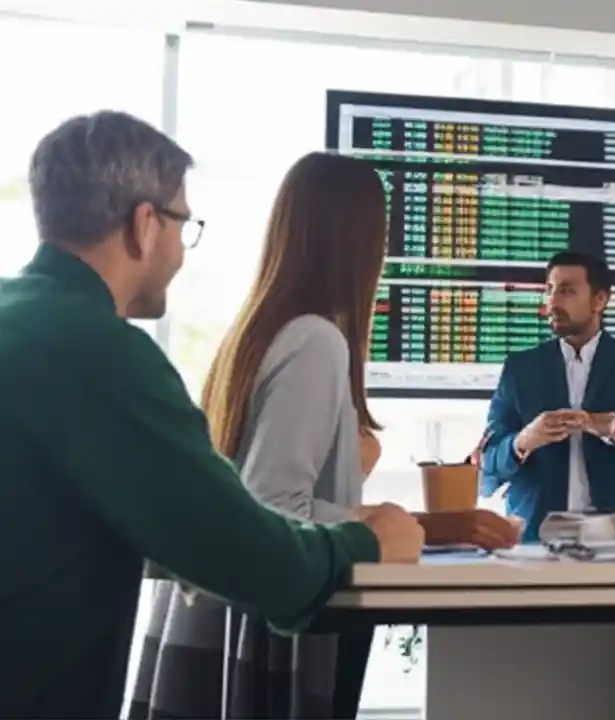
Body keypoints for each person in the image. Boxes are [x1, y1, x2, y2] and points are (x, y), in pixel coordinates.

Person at [0, 112, 425, 718]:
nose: (180, 248)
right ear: (145, 226)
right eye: (182, 224)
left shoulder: (17, 316)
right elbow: (246, 548)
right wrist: (366, 539)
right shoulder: (100, 352)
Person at [129, 153, 519, 718]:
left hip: (216, 624)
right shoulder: (315, 341)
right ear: (361, 242)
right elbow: (273, 507)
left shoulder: (257, 333)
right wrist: (420, 527)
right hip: (272, 635)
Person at [481, 251, 615, 538]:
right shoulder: (521, 368)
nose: (553, 302)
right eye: (550, 290)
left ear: (600, 300)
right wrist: (523, 441)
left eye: (567, 291)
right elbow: (487, 469)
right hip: (536, 536)